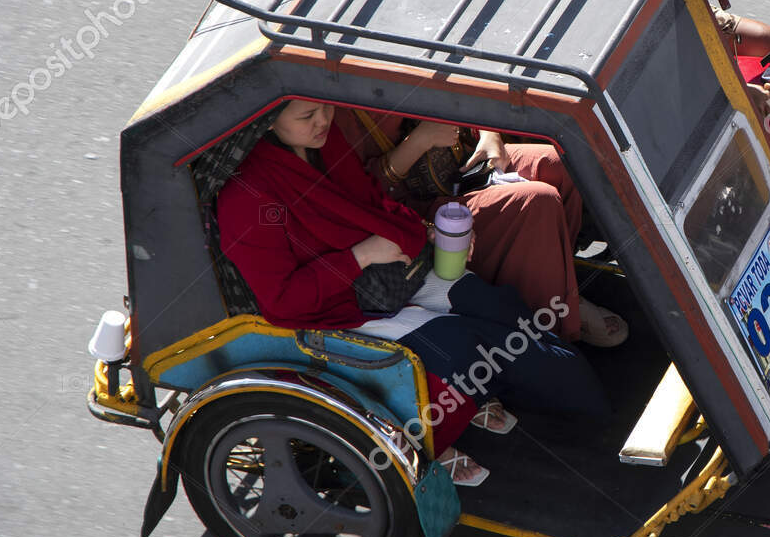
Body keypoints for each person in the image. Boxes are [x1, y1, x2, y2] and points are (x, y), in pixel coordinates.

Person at [217, 100, 611, 486]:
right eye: (306, 116)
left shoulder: (325, 140)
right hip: (340, 309)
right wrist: (360, 255)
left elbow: (371, 200)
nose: (323, 120)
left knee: (500, 309)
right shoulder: (245, 199)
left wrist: (421, 230)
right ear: (266, 122)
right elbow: (283, 300)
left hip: (390, 272)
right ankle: (430, 443)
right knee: (464, 347)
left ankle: (501, 390)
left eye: (323, 108)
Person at [332, 109, 627, 347]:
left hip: (464, 166)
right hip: (411, 210)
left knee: (560, 163)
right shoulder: (342, 106)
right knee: (537, 200)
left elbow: (466, 97)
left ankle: (563, 287)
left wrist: (488, 134)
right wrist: (419, 141)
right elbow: (364, 196)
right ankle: (550, 323)